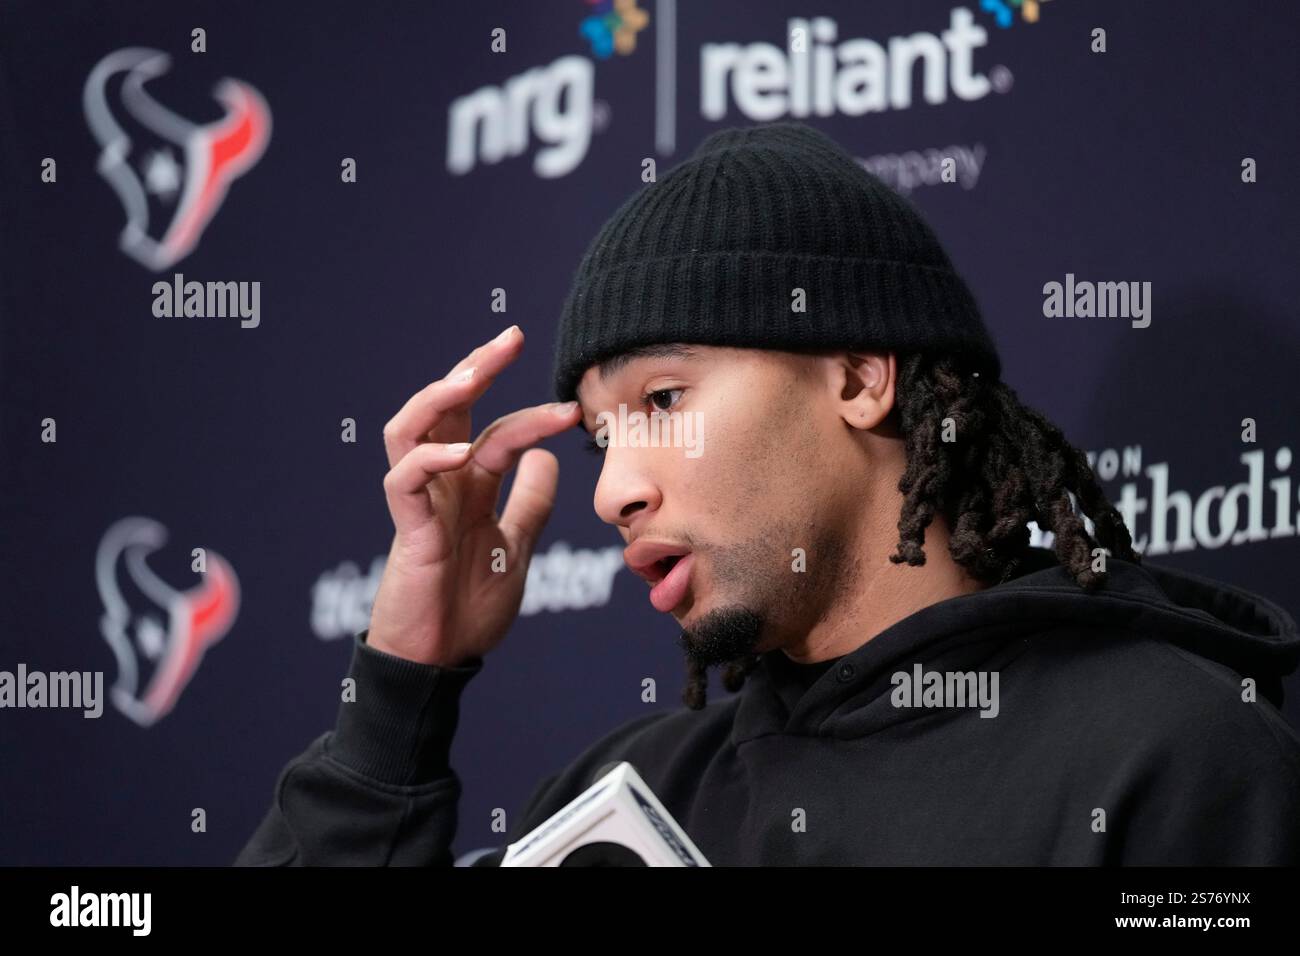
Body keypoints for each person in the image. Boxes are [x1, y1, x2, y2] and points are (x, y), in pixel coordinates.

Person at [234, 123, 1300, 866]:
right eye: (601, 435)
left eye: (662, 397)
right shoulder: (622, 809)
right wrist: (399, 690)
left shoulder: (1170, 752)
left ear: (855, 375)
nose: (611, 490)